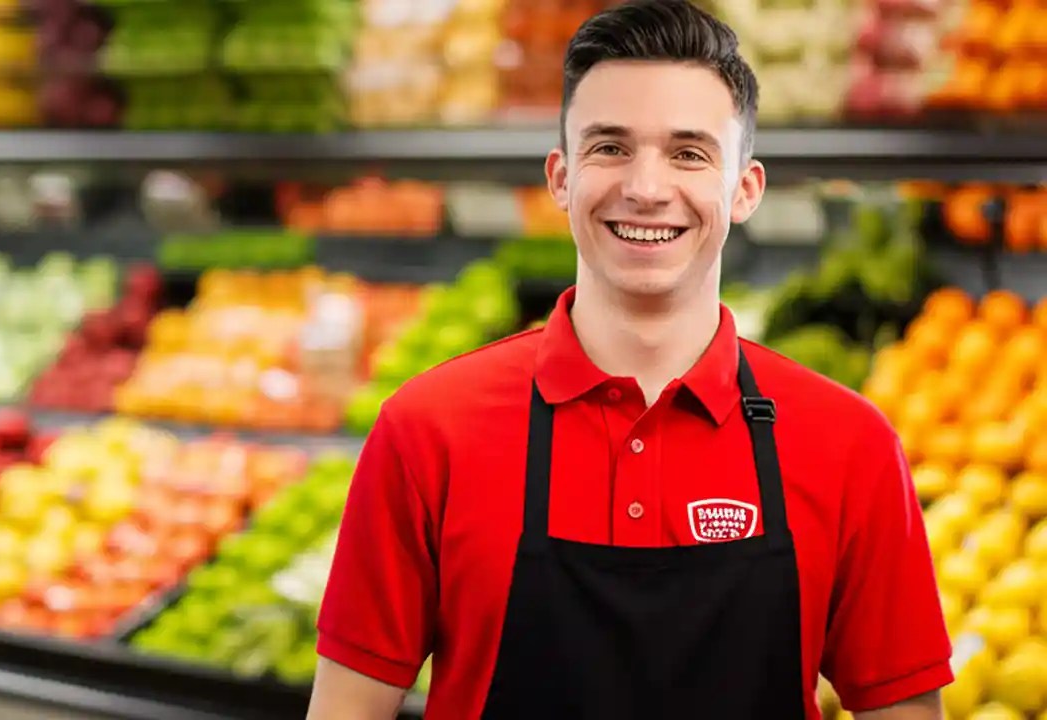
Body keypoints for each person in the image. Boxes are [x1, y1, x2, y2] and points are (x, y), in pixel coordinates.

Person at [306, 1, 953, 718]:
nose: (646, 189)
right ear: (560, 178)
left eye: (689, 153)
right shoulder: (427, 432)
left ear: (745, 190)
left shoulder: (850, 446)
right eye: (610, 147)